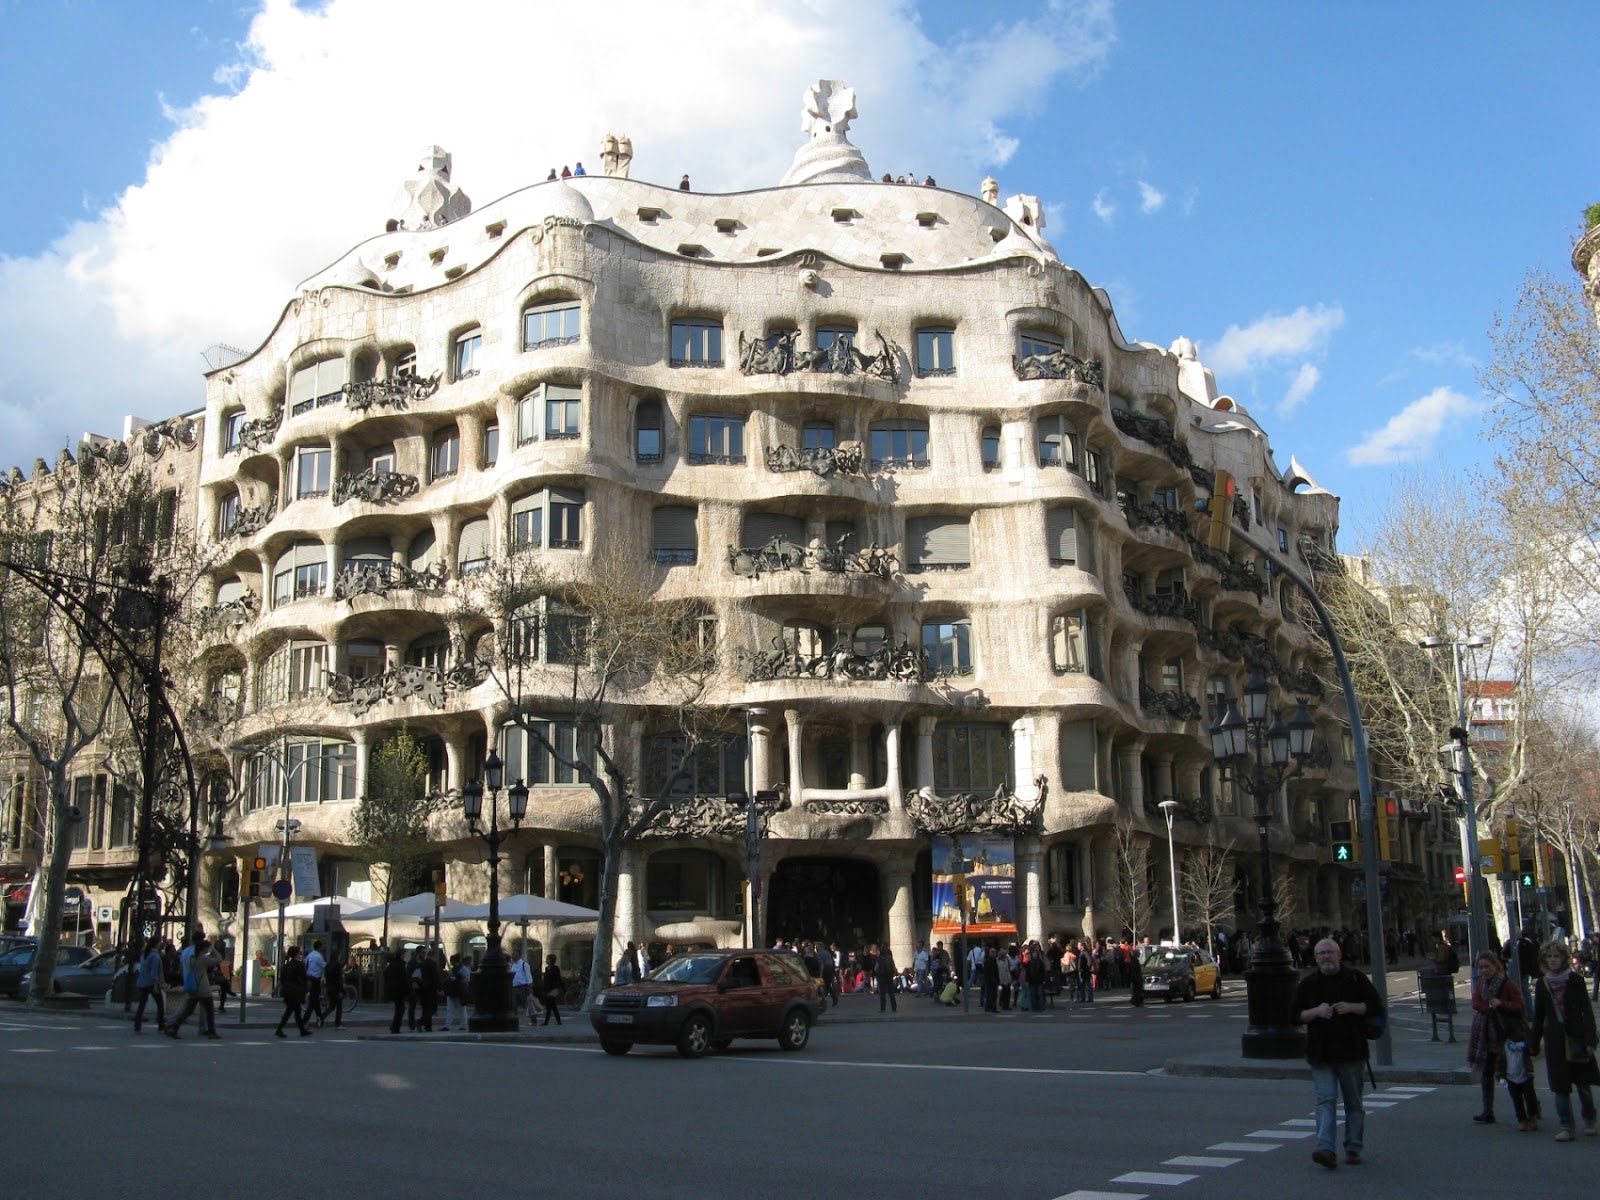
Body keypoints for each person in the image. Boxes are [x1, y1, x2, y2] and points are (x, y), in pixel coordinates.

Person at [1292, 937, 1382, 1169]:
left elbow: (1375, 1006)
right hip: (1320, 1052)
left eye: (1330, 952)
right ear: (1315, 957)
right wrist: (1316, 1012)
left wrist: (1353, 1007)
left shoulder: (1355, 979)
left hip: (1351, 1050)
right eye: (1321, 953)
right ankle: (1325, 1148)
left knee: (1353, 1103)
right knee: (1325, 1099)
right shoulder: (1308, 983)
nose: (1326, 957)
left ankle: (1353, 1147)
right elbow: (1294, 1015)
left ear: (1339, 955)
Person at [1528, 940, 1599, 1141]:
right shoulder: (1543, 984)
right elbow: (1539, 1016)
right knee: (1560, 1085)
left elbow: (1586, 1010)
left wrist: (1591, 1040)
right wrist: (1533, 1044)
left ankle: (1589, 1120)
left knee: (1583, 1082)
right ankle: (1566, 1125)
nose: (1553, 960)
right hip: (1555, 1040)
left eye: (1556, 956)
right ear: (1544, 959)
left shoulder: (1575, 980)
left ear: (1563, 959)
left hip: (1576, 1035)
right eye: (1549, 957)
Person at [1469, 950, 1538, 1127]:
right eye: (1481, 967)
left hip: (1506, 1034)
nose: (1484, 970)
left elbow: (1520, 1006)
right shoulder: (1480, 984)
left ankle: (1533, 1107)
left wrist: (1502, 1004)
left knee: (1516, 1073)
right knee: (1487, 1071)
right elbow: (1475, 1002)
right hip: (1486, 1033)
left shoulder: (1507, 984)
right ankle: (1488, 1110)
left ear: (1495, 966)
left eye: (1487, 966)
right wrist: (1485, 1007)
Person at [165, 937, 221, 1040]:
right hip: (203, 989)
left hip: (193, 988)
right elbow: (218, 960)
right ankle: (212, 1031)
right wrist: (214, 950)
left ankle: (174, 1026)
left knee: (188, 1011)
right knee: (209, 1010)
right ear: (204, 948)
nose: (208, 950)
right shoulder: (203, 958)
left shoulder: (191, 957)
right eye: (207, 948)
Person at [275, 945, 312, 1038]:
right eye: (299, 953)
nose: (300, 955)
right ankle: (280, 1029)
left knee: (294, 1010)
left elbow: (281, 979)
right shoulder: (299, 965)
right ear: (296, 954)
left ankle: (301, 1030)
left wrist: (276, 989)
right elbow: (304, 977)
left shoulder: (286, 966)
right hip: (295, 991)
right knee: (293, 1011)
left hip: (287, 991)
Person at [132, 938, 166, 1034]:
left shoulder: (144, 955)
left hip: (142, 982)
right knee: (160, 1005)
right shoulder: (155, 956)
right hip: (151, 983)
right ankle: (161, 1026)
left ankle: (137, 1027)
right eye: (159, 943)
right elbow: (154, 972)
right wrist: (155, 984)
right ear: (156, 944)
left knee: (141, 1005)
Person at [385, 948, 410, 1034]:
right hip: (399, 990)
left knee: (399, 1009)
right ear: (401, 955)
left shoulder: (392, 964)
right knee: (400, 1009)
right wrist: (407, 990)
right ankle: (395, 1027)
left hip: (392, 989)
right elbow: (403, 978)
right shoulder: (400, 965)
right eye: (403, 954)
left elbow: (386, 974)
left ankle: (394, 1026)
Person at [443, 953, 470, 1031]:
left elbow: (465, 980)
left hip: (457, 991)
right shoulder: (463, 969)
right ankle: (461, 1025)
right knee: (459, 1009)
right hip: (458, 991)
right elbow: (467, 979)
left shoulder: (456, 969)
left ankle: (450, 1025)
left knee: (456, 1009)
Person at [321, 952, 345, 1028]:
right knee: (339, 1006)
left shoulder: (328, 966)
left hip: (329, 988)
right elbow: (339, 979)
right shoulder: (338, 966)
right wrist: (341, 990)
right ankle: (338, 1023)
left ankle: (321, 1017)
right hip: (337, 988)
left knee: (332, 1006)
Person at [304, 939, 326, 1023]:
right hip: (316, 980)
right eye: (322, 946)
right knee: (314, 1000)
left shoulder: (310, 955)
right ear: (320, 947)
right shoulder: (319, 956)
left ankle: (319, 1017)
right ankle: (305, 1019)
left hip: (309, 978)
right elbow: (323, 966)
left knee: (315, 999)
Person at [873, 944, 898, 1013]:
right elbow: (894, 967)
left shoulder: (879, 958)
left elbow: (876, 968)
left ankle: (883, 1008)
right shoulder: (890, 958)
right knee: (891, 993)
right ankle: (894, 1007)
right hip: (889, 977)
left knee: (882, 994)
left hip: (881, 977)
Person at [511, 954, 535, 1024]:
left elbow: (528, 976)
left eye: (514, 954)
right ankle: (513, 1021)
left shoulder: (524, 964)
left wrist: (530, 987)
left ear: (518, 955)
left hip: (523, 988)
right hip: (514, 988)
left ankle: (533, 1020)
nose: (513, 956)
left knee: (526, 1005)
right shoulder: (512, 965)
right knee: (513, 1005)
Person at [541, 954, 564, 1025]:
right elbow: (545, 980)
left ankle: (546, 1022)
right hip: (547, 989)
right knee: (553, 1006)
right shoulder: (547, 968)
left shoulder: (555, 968)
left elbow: (558, 979)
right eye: (547, 959)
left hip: (553, 989)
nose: (547, 961)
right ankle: (558, 1021)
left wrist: (562, 988)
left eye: (549, 959)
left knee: (549, 1006)